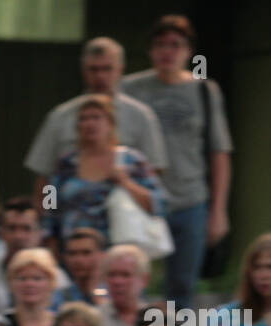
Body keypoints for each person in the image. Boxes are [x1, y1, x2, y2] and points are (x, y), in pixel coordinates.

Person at [120, 14, 233, 307]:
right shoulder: (130, 89)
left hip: (189, 199)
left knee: (182, 285)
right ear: (150, 51)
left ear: (188, 51)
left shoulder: (204, 91)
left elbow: (219, 152)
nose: (167, 52)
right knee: (130, 279)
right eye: (160, 45)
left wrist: (218, 210)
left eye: (175, 45)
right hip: (142, 198)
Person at [24, 36, 167, 207]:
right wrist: (48, 213)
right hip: (71, 217)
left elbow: (154, 176)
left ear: (120, 70)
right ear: (83, 71)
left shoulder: (141, 116)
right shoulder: (60, 116)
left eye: (107, 69)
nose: (100, 76)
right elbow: (45, 175)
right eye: (93, 69)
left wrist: (126, 183)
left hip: (123, 217)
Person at [44, 94, 165, 249]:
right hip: (72, 251)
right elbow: (49, 205)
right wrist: (50, 242)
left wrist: (126, 182)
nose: (89, 123)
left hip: (118, 252)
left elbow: (160, 203)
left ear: (110, 124)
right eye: (84, 119)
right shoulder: (65, 164)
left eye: (96, 117)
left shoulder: (132, 160)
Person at [0, 196, 71, 321]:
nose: (18, 236)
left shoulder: (58, 278)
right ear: (1, 234)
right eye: (12, 228)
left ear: (39, 234)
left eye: (26, 229)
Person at [98, 243, 151, 326]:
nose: (117, 282)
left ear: (144, 280)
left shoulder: (158, 320)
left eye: (125, 275)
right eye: (112, 275)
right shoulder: (94, 318)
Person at [57, 227, 106, 305]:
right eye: (72, 253)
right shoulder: (59, 297)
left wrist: (95, 292)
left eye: (86, 253)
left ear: (103, 255)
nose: (78, 260)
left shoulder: (114, 291)